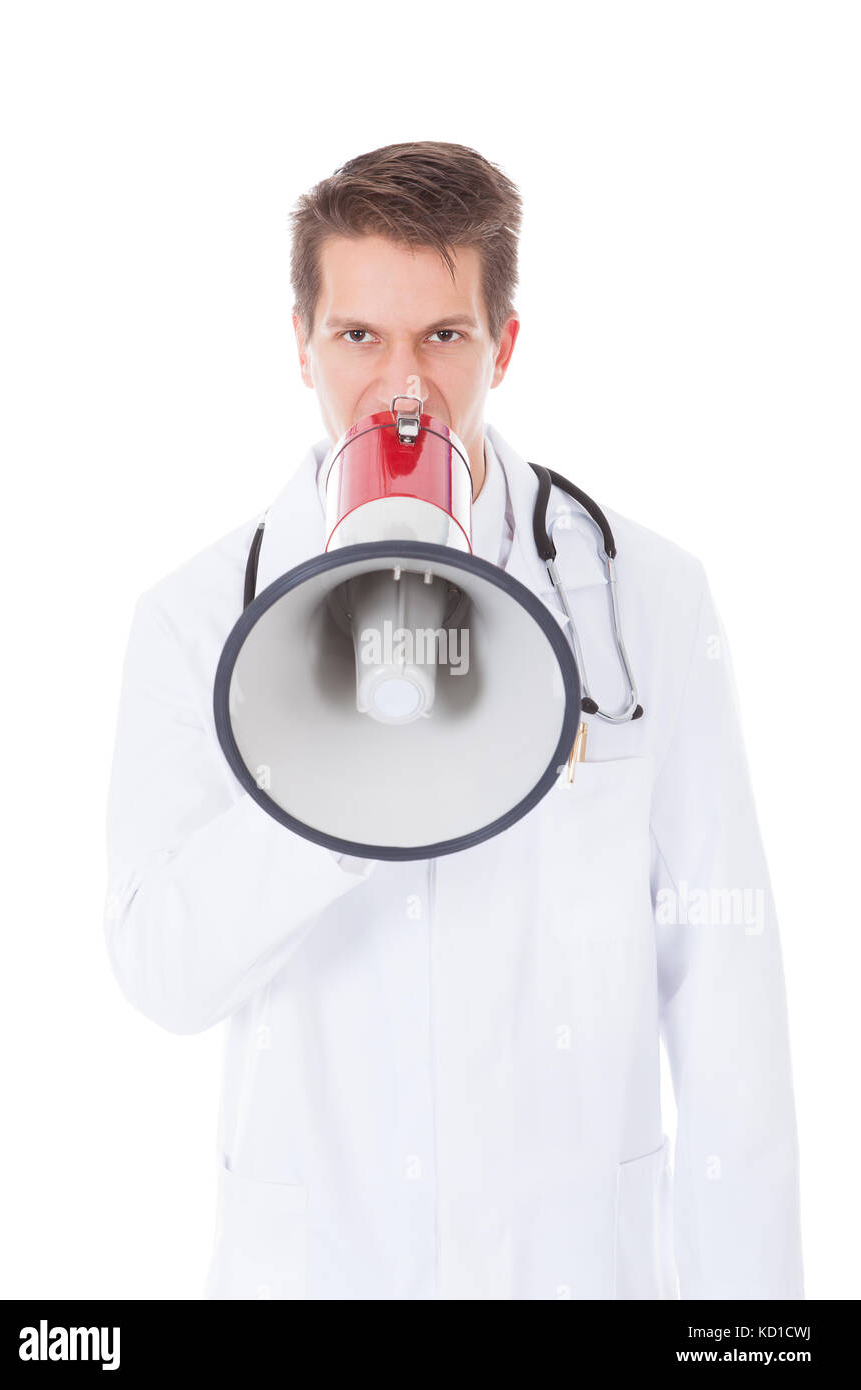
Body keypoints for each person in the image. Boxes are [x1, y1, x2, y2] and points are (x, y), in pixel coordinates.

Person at [104, 140, 805, 1300]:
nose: (402, 387)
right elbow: (163, 972)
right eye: (357, 336)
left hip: (569, 1268)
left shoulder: (644, 598)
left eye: (443, 335)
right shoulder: (195, 616)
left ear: (503, 346)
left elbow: (724, 994)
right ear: (299, 342)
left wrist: (753, 1334)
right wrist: (335, 786)